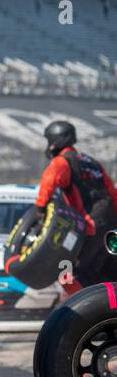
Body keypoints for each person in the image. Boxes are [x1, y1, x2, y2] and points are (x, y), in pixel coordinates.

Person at [32, 120, 117, 293]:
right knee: (103, 274)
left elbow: (48, 183)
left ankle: (84, 314)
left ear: (56, 140)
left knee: (69, 274)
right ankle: (108, 312)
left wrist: (39, 210)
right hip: (109, 226)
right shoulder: (92, 163)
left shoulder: (62, 162)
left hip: (89, 227)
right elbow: (112, 193)